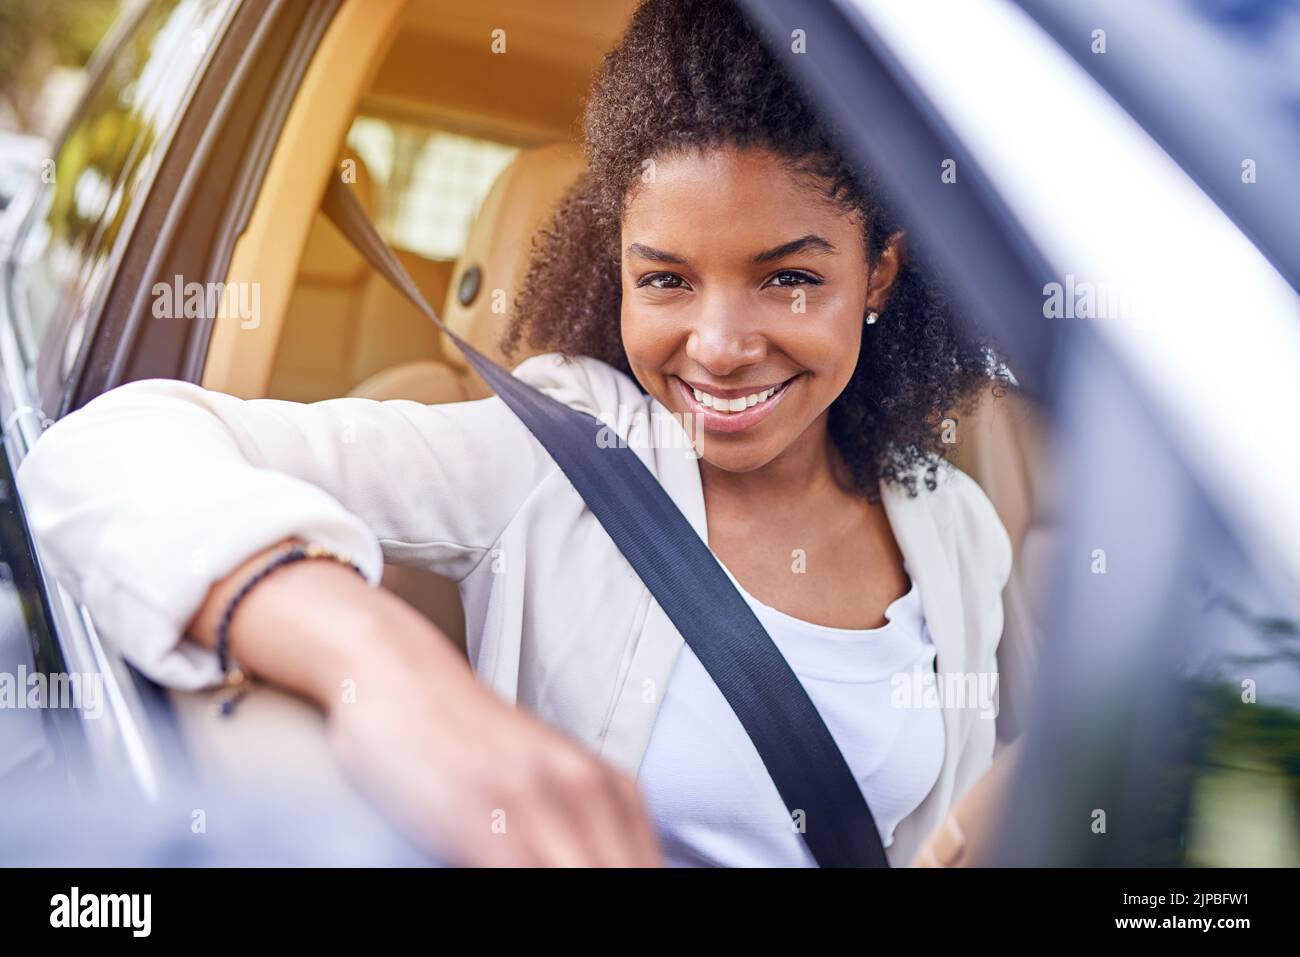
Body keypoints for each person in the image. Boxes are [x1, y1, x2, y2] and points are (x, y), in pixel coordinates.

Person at [17, 0, 1016, 867]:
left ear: (879, 275)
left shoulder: (953, 523)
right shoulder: (560, 453)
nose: (715, 347)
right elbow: (104, 450)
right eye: (665, 278)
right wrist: (383, 671)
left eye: (788, 278)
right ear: (616, 268)